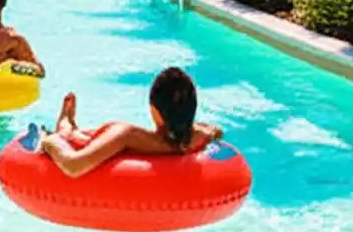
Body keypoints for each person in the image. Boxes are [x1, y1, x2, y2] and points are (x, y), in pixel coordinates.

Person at [34, 66, 223, 179]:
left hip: (108, 144)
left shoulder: (127, 135)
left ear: (154, 110)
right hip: (141, 141)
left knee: (75, 138)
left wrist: (49, 142)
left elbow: (74, 166)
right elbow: (216, 132)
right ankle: (68, 124)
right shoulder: (201, 136)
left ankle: (65, 126)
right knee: (83, 135)